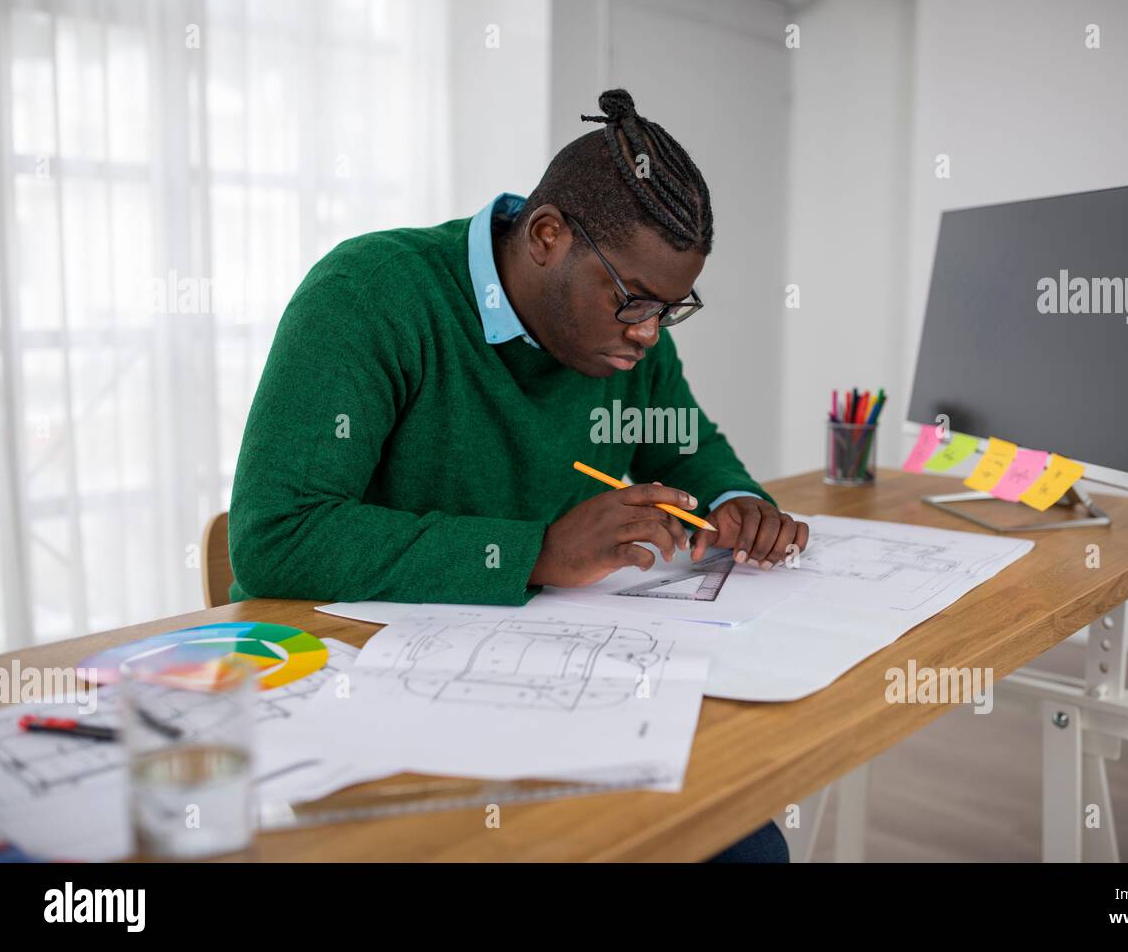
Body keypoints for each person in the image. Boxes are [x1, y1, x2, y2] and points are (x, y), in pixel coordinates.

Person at [230, 88, 806, 863]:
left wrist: (738, 502)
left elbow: (684, 449)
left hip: (551, 679)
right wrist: (533, 550)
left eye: (671, 310)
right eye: (634, 302)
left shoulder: (630, 342)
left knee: (742, 844)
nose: (647, 333)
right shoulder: (372, 295)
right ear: (545, 236)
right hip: (369, 698)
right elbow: (277, 536)